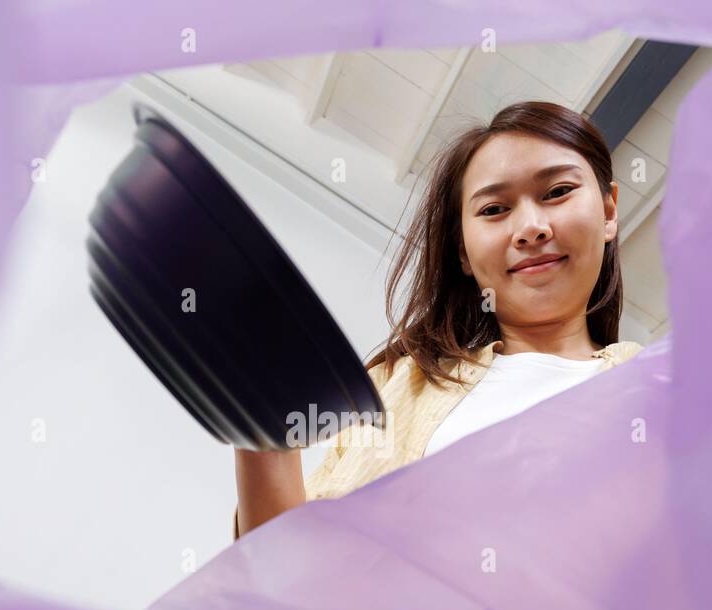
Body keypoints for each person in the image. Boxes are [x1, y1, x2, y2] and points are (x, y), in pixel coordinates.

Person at [234, 100, 644, 539]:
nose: (530, 227)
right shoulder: (395, 386)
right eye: (493, 210)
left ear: (608, 210)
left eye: (558, 191)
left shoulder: (659, 395)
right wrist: (259, 430)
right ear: (464, 252)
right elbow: (281, 569)